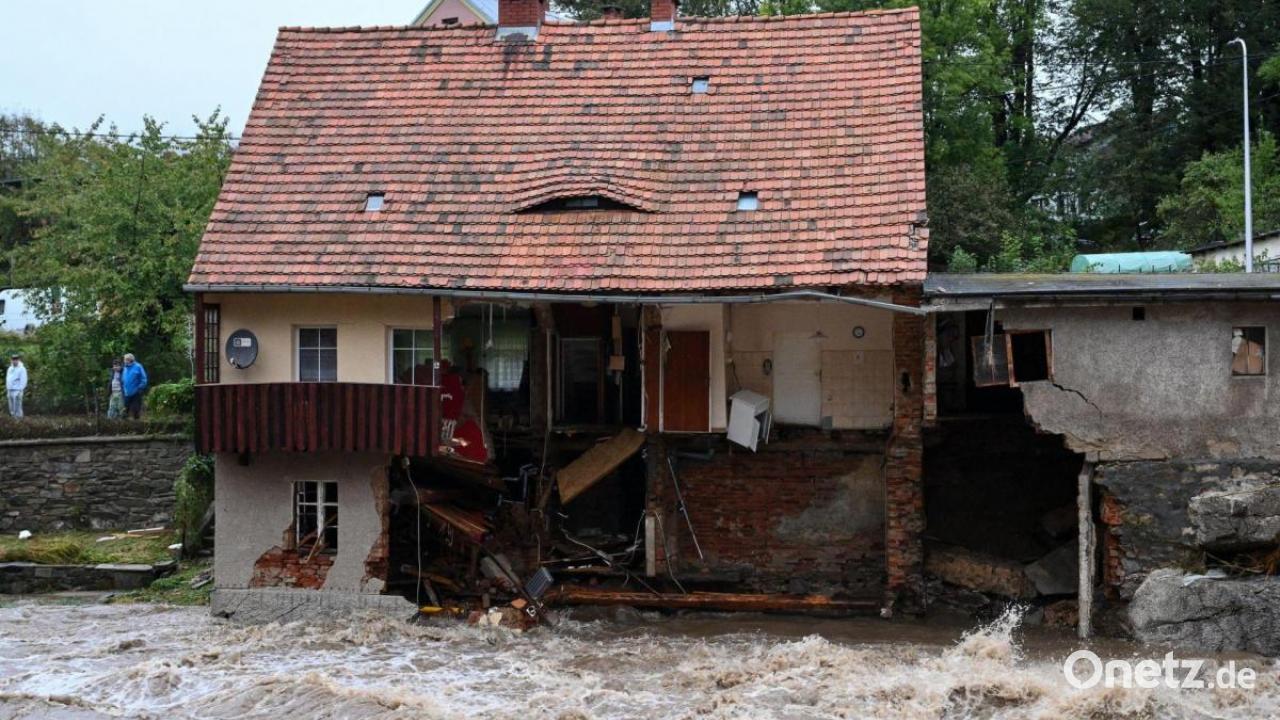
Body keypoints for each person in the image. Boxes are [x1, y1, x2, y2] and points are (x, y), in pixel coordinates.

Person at [121, 353, 148, 420]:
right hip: (127, 393)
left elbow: (144, 379)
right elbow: (123, 379)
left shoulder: (138, 366)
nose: (124, 361)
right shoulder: (125, 368)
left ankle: (137, 423)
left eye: (125, 359)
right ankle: (124, 423)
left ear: (130, 360)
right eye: (124, 359)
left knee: (136, 410)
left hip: (136, 392)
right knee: (125, 410)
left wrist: (140, 387)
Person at [6, 354, 27, 419]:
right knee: (11, 406)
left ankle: (19, 419)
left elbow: (24, 380)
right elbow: (8, 378)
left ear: (18, 360)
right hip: (10, 389)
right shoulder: (10, 368)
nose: (14, 361)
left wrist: (20, 389)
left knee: (17, 406)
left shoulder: (22, 368)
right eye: (13, 359)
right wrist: (8, 388)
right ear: (11, 360)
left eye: (16, 359)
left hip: (17, 390)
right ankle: (13, 418)